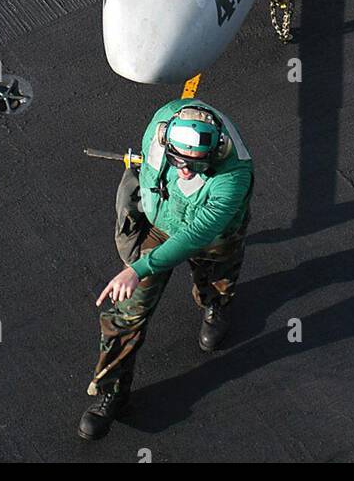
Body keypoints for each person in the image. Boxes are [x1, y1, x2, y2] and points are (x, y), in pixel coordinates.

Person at [79, 100, 254, 440]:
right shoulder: (160, 123)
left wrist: (137, 268)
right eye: (177, 161)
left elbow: (194, 236)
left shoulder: (232, 179)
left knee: (217, 272)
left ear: (215, 153)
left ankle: (214, 304)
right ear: (165, 140)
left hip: (210, 234)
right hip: (159, 224)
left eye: (194, 165)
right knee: (125, 316)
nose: (185, 171)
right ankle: (111, 393)